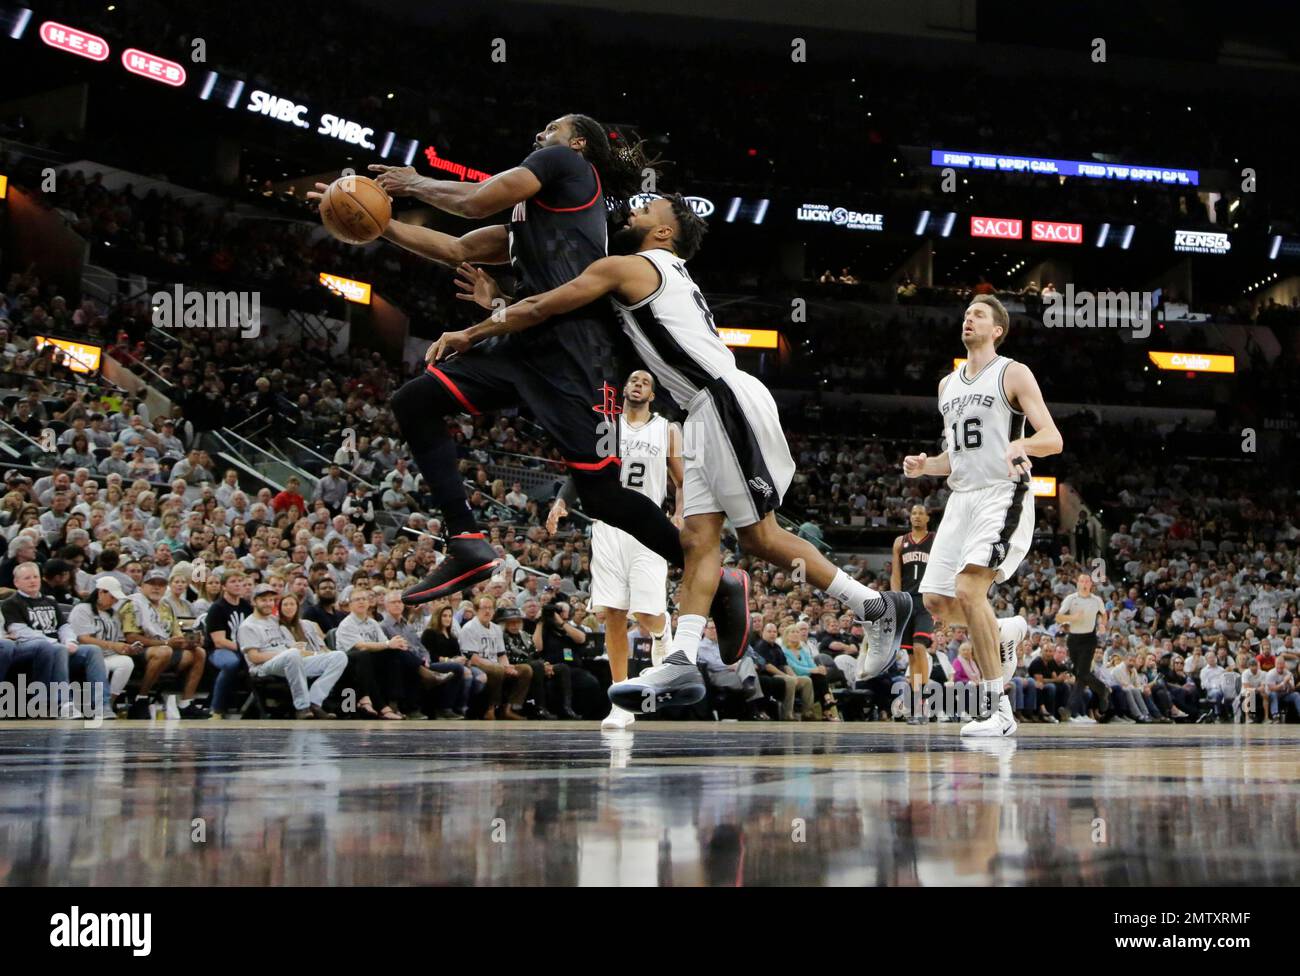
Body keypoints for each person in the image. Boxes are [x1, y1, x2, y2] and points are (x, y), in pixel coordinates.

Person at [429, 194, 901, 711]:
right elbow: (566, 323)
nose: (633, 211)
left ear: (664, 234)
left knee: (762, 538)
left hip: (723, 400)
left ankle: (876, 607)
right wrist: (497, 300)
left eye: (647, 208)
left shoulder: (632, 266)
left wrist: (473, 331)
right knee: (697, 540)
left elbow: (544, 306)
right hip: (701, 412)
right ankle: (680, 660)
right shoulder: (649, 274)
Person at [317, 120, 748, 659]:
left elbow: (474, 202)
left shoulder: (566, 164)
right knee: (415, 399)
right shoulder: (532, 218)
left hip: (578, 354)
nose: (541, 132)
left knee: (604, 496)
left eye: (553, 127)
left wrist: (413, 184)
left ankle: (718, 579)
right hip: (523, 340)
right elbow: (455, 246)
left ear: (578, 143)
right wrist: (375, 221)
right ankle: (467, 541)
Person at [905, 295, 1062, 736]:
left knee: (970, 589)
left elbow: (1053, 438)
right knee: (935, 602)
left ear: (997, 329)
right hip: (961, 499)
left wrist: (1023, 445)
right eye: (966, 314)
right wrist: (927, 465)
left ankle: (998, 711)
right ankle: (1005, 629)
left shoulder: (1012, 372)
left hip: (1002, 492)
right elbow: (953, 457)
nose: (968, 318)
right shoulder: (946, 386)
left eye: (978, 315)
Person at [548, 370, 679, 729]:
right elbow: (583, 473)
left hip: (649, 524)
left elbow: (683, 480)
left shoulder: (667, 429)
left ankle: (661, 628)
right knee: (613, 614)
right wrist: (561, 502)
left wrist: (680, 516)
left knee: (647, 613)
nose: (637, 383)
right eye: (633, 379)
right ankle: (621, 701)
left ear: (652, 395)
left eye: (645, 382)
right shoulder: (606, 427)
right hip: (607, 527)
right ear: (624, 389)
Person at [2, 562, 109, 718]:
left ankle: (102, 705)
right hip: (33, 649)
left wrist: (70, 641)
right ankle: (63, 703)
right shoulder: (11, 603)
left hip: (61, 647)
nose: (32, 581)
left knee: (93, 650)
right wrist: (56, 643)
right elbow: (20, 632)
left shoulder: (50, 601)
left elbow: (64, 627)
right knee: (56, 649)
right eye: (27, 578)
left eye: (35, 577)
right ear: (16, 582)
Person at [237, 584, 345, 719]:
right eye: (263, 600)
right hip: (264, 667)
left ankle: (314, 702)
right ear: (254, 602)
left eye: (271, 600)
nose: (268, 603)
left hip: (290, 660)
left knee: (338, 657)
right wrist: (287, 653)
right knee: (292, 654)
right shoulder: (248, 626)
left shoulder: (275, 620)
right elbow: (254, 657)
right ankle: (302, 707)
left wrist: (311, 632)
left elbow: (297, 625)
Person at [119, 568, 210, 718]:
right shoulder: (133, 604)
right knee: (164, 651)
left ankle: (186, 703)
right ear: (142, 586)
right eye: (152, 583)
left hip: (165, 648)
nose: (156, 587)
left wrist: (189, 642)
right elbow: (131, 637)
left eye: (161, 584)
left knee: (199, 652)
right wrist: (167, 643)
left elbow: (176, 635)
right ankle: (141, 699)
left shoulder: (166, 606)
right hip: (137, 650)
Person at [66, 576, 138, 716]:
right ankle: (97, 704)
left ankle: (109, 702)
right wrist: (112, 645)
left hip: (109, 654)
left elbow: (117, 639)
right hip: (86, 655)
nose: (115, 601)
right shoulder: (82, 609)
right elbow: (83, 638)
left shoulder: (113, 614)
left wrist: (126, 648)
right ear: (101, 592)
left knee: (127, 663)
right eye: (112, 597)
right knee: (101, 665)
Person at [892, 504, 936, 724]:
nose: (917, 516)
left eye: (921, 513)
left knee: (920, 647)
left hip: (926, 601)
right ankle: (915, 702)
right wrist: (895, 600)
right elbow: (896, 574)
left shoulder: (936, 540)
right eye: (914, 513)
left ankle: (923, 700)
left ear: (928, 517)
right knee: (910, 654)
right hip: (907, 601)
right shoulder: (900, 541)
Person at [1056, 573, 1111, 725]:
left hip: (1089, 639)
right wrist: (1073, 618)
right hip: (1073, 639)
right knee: (1080, 674)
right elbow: (1058, 617)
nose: (1084, 583)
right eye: (1081, 581)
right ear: (1078, 583)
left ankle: (1068, 709)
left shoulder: (1097, 600)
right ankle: (1102, 689)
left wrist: (1102, 623)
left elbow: (1104, 615)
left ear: (1091, 584)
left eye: (1087, 581)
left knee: (1082, 673)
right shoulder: (1071, 599)